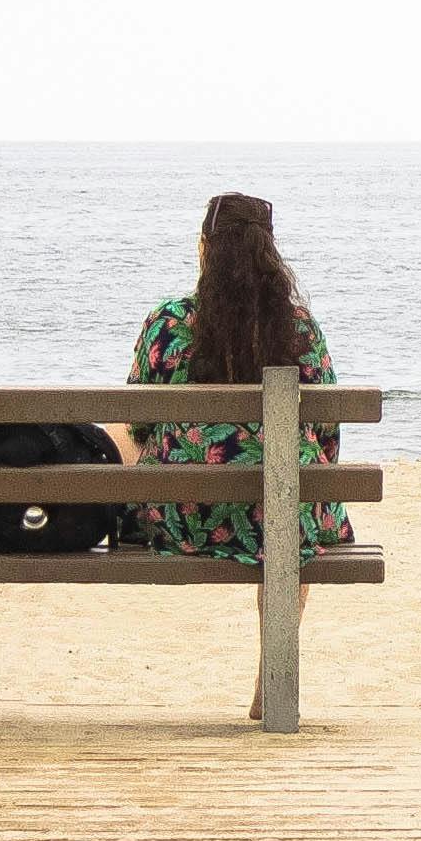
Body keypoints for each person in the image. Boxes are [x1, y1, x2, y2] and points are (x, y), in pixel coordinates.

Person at [112, 193, 354, 571]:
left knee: (115, 428)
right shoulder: (299, 328)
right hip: (286, 516)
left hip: (185, 519)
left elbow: (138, 424)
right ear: (269, 255)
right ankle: (279, 624)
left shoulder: (169, 323)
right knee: (296, 495)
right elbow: (327, 429)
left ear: (204, 248)